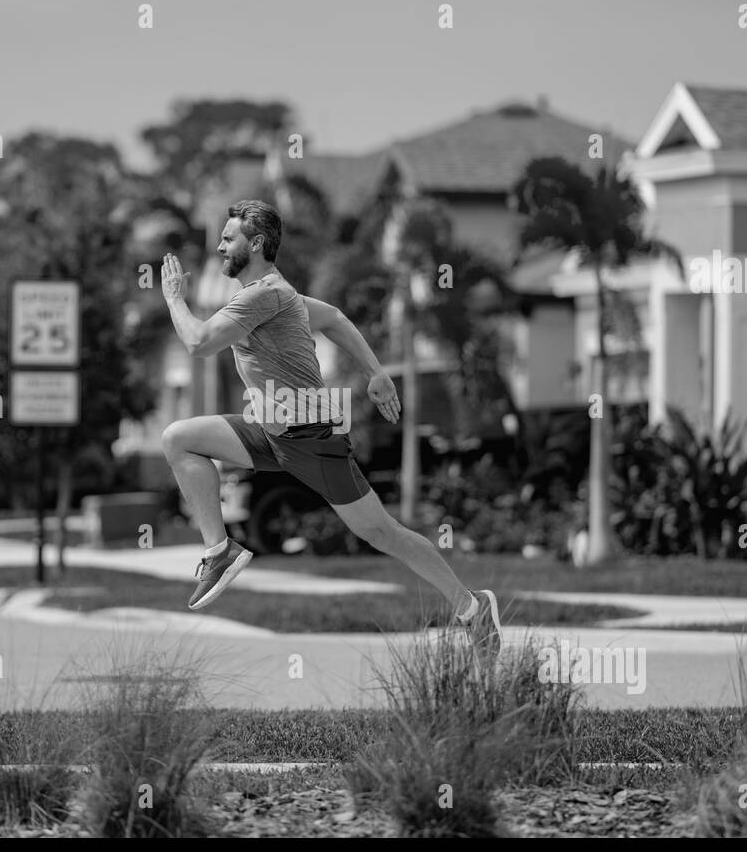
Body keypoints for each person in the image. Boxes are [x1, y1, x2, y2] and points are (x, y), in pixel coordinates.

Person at [159, 199, 503, 666]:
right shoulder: (279, 296)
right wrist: (375, 372)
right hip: (268, 430)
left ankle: (472, 606)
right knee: (178, 438)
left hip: (309, 438)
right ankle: (219, 551)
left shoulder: (265, 295)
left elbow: (198, 343)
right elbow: (336, 317)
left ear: (255, 243)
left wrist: (174, 299)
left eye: (228, 237)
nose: (220, 245)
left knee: (382, 533)